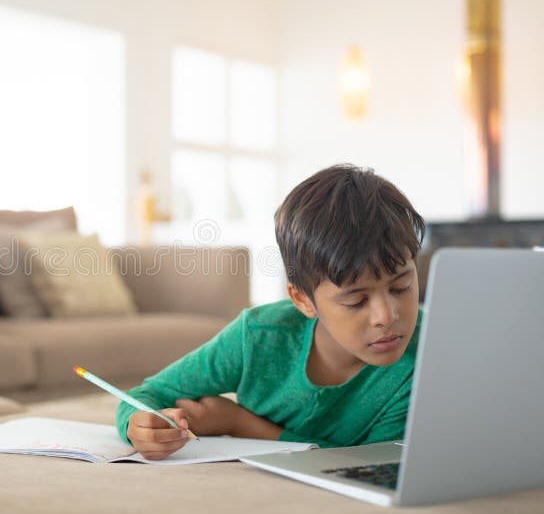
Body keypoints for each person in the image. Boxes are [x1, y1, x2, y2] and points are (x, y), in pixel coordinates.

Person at [116, 164, 426, 460]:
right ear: (302, 299)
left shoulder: (428, 353)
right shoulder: (258, 337)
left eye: (401, 287)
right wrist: (139, 425)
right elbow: (148, 394)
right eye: (357, 301)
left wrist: (240, 424)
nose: (386, 316)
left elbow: (375, 464)